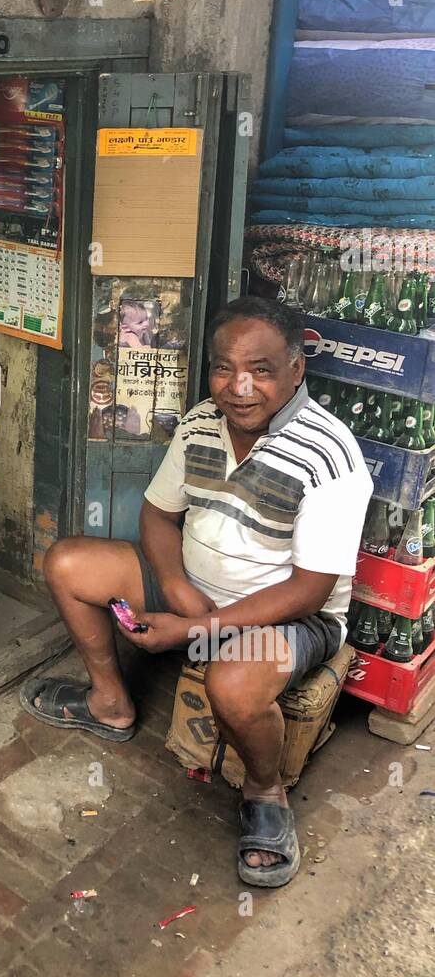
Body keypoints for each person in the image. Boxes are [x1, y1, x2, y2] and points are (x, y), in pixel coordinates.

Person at [22, 296, 373, 889]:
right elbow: (159, 517)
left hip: (288, 615)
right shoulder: (199, 424)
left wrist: (196, 630)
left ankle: (266, 794)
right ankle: (111, 703)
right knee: (68, 562)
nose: (239, 387)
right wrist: (181, 591)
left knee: (231, 680)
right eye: (222, 367)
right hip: (195, 590)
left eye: (260, 369)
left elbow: (311, 590)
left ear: (296, 369)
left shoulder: (330, 455)